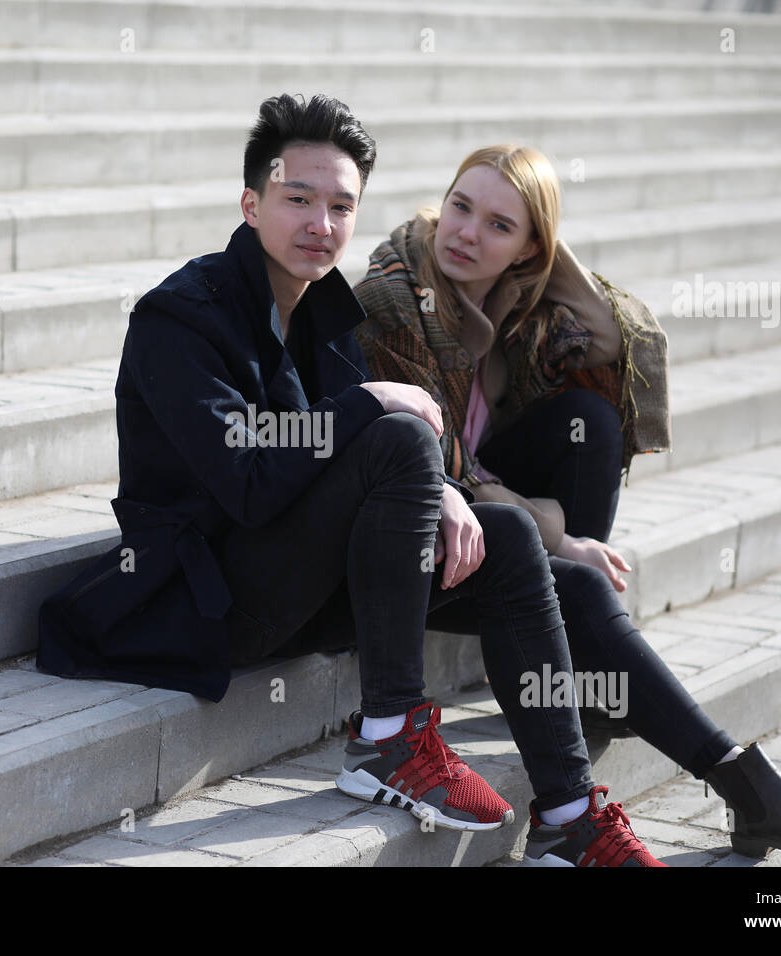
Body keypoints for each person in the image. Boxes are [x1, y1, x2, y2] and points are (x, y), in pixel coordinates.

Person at [36, 92, 672, 865]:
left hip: (304, 581)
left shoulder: (324, 307)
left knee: (503, 533)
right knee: (396, 429)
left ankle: (569, 819)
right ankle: (388, 737)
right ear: (250, 202)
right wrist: (364, 403)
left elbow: (351, 454)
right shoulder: (179, 318)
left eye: (342, 205)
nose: (321, 223)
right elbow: (248, 480)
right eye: (297, 199)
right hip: (209, 594)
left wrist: (436, 488)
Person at [352, 144, 781, 861]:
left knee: (590, 420)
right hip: (412, 539)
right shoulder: (390, 298)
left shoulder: (511, 296)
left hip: (484, 515)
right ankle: (745, 788)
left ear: (530, 247)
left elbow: (616, 341)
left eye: (500, 225)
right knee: (568, 577)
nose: (466, 232)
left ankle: (719, 770)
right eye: (460, 206)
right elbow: (441, 464)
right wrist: (562, 541)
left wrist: (544, 258)